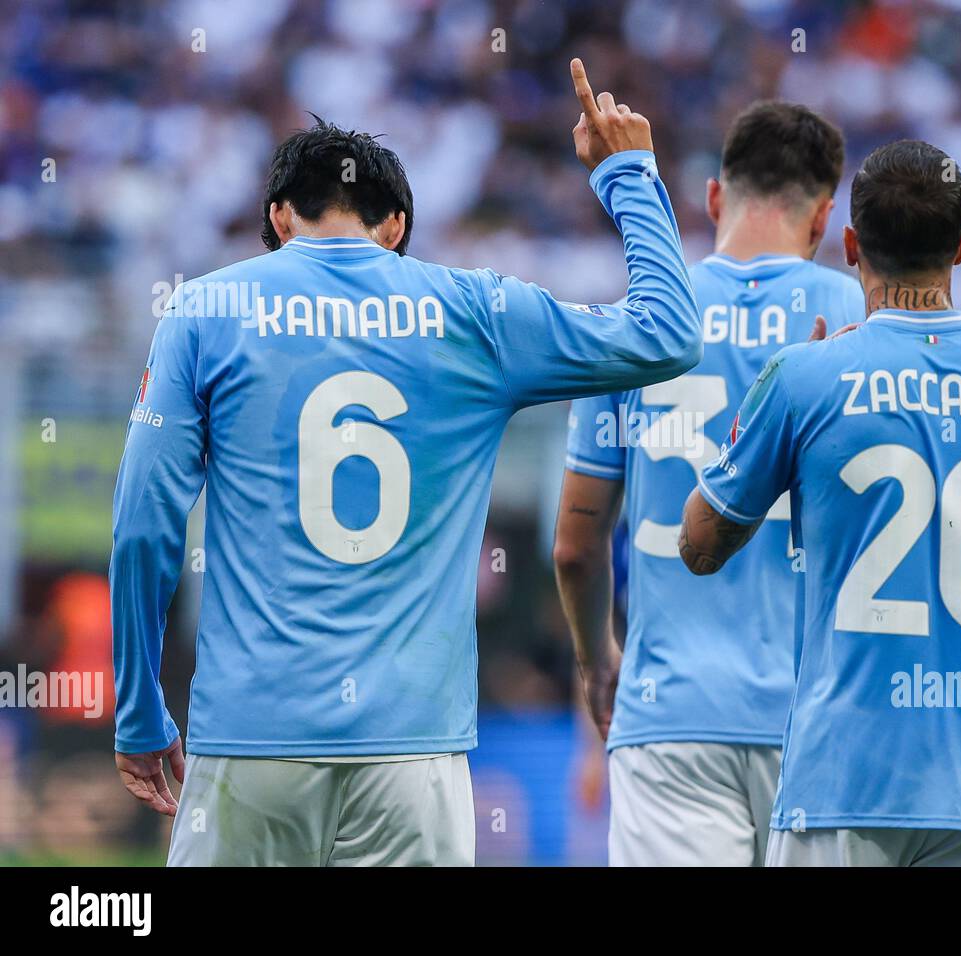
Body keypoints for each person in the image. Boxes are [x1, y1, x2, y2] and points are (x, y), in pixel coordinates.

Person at [110, 59, 702, 866]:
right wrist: (627, 175)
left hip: (251, 741)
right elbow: (669, 335)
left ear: (279, 217)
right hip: (414, 754)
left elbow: (143, 527)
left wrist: (139, 705)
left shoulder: (203, 308)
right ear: (394, 227)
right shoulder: (476, 311)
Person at [678, 140, 961, 867]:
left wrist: (766, 405)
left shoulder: (804, 376)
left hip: (841, 783)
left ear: (849, 245)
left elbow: (699, 546)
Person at [554, 102, 862, 866]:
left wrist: (599, 663)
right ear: (824, 218)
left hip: (671, 715)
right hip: (824, 719)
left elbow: (575, 548)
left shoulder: (639, 318)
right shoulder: (861, 319)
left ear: (716, 198)